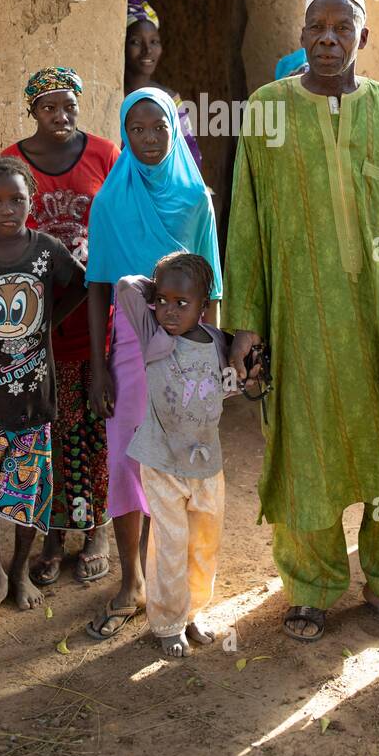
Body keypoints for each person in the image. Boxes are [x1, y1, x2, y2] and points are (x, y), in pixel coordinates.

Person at [223, 0, 379, 644]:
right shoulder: (266, 109)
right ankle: (311, 588)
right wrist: (247, 326)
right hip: (300, 318)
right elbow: (247, 227)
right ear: (300, 36)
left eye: (341, 28)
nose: (327, 38)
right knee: (303, 445)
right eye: (316, 26)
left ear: (361, 38)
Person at [85, 87, 222, 640]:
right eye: (136, 129)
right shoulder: (111, 201)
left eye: (158, 128)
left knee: (181, 468)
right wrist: (99, 368)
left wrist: (209, 358)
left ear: (173, 130)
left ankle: (182, 595)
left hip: (184, 355)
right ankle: (132, 581)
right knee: (126, 463)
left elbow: (212, 284)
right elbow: (99, 289)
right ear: (124, 132)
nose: (147, 139)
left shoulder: (195, 199)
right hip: (128, 347)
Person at [0, 156, 89, 620]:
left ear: (32, 201)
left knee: (29, 494)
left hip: (32, 403)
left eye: (17, 200)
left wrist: (47, 323)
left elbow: (82, 287)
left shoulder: (46, 250)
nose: (7, 209)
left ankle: (21, 570)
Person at [2, 67, 119, 587]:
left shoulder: (104, 154)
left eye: (69, 104)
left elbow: (115, 228)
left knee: (93, 426)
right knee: (48, 429)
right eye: (49, 106)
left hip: (95, 314)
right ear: (32, 111)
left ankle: (95, 531)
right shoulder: (13, 160)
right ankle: (52, 537)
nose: (61, 115)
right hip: (38, 320)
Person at [116, 253, 233, 658]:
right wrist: (163, 284)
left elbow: (232, 384)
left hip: (206, 466)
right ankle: (166, 622)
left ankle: (191, 612)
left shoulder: (218, 341)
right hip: (162, 463)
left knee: (203, 545)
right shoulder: (154, 336)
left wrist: (188, 290)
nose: (169, 309)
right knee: (169, 544)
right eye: (162, 300)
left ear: (205, 306)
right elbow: (125, 288)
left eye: (183, 303)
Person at [125, 0, 202, 167]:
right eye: (135, 42)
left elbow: (189, 157)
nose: (148, 50)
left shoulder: (170, 99)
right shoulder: (113, 98)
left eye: (154, 41)